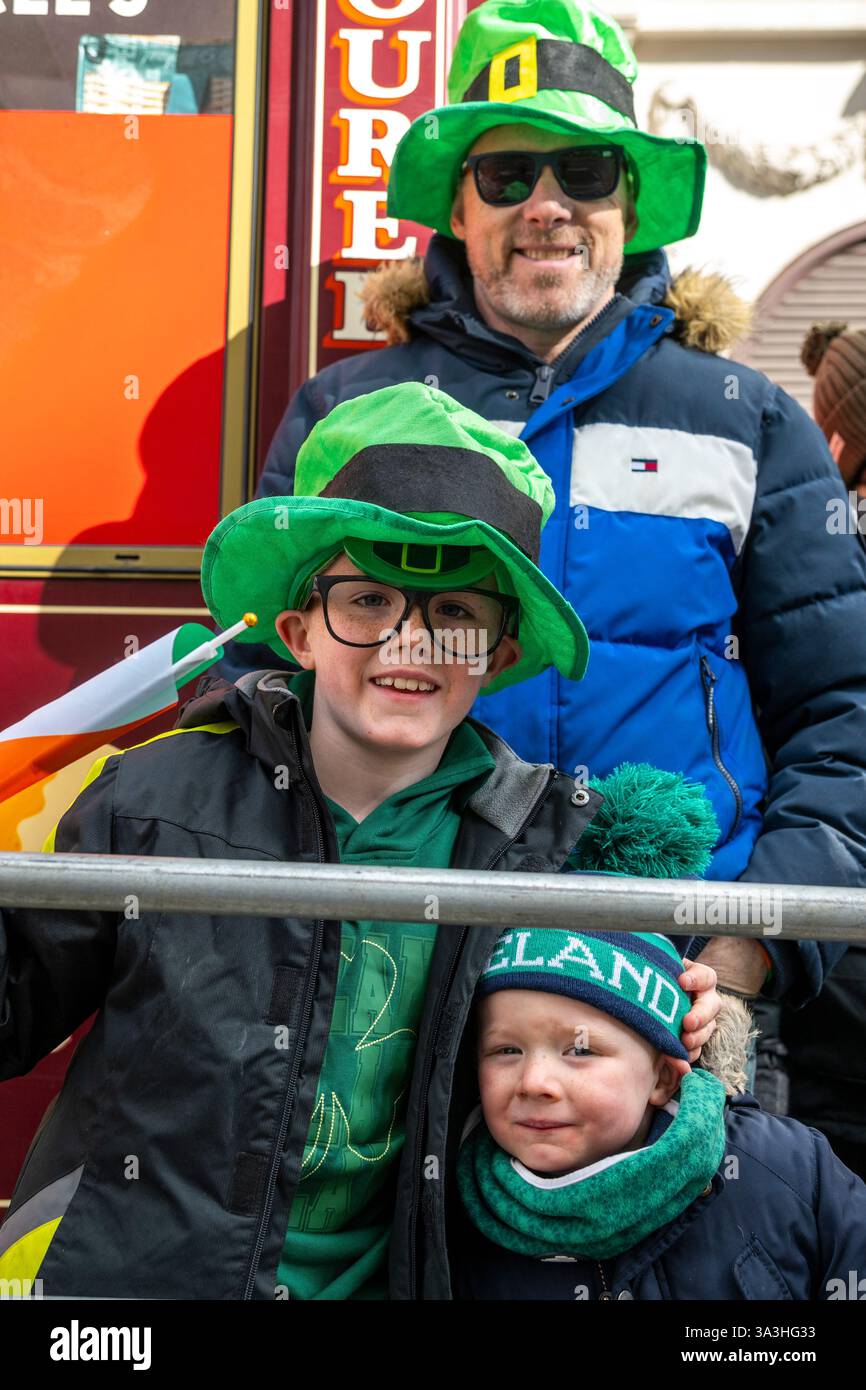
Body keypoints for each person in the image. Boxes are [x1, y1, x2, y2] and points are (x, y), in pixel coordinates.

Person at [0, 384, 721, 1300]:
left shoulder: (549, 850)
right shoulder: (149, 799)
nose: (407, 643)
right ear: (299, 633)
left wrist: (684, 1030)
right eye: (370, 600)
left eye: (454, 613)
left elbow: (617, 1112)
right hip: (131, 1291)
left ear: (501, 655)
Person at [219, 0, 866, 1014]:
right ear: (459, 209)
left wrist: (753, 951)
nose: (546, 203)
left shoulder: (747, 422)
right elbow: (259, 684)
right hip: (391, 974)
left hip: (674, 976)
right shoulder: (345, 414)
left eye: (584, 170)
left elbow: (845, 715)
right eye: (506, 174)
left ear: (629, 199)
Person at [452, 927, 866, 1300]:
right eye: (507, 1050)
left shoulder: (791, 1169)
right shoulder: (444, 1217)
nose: (533, 1082)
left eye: (580, 1050)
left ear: (664, 1079)